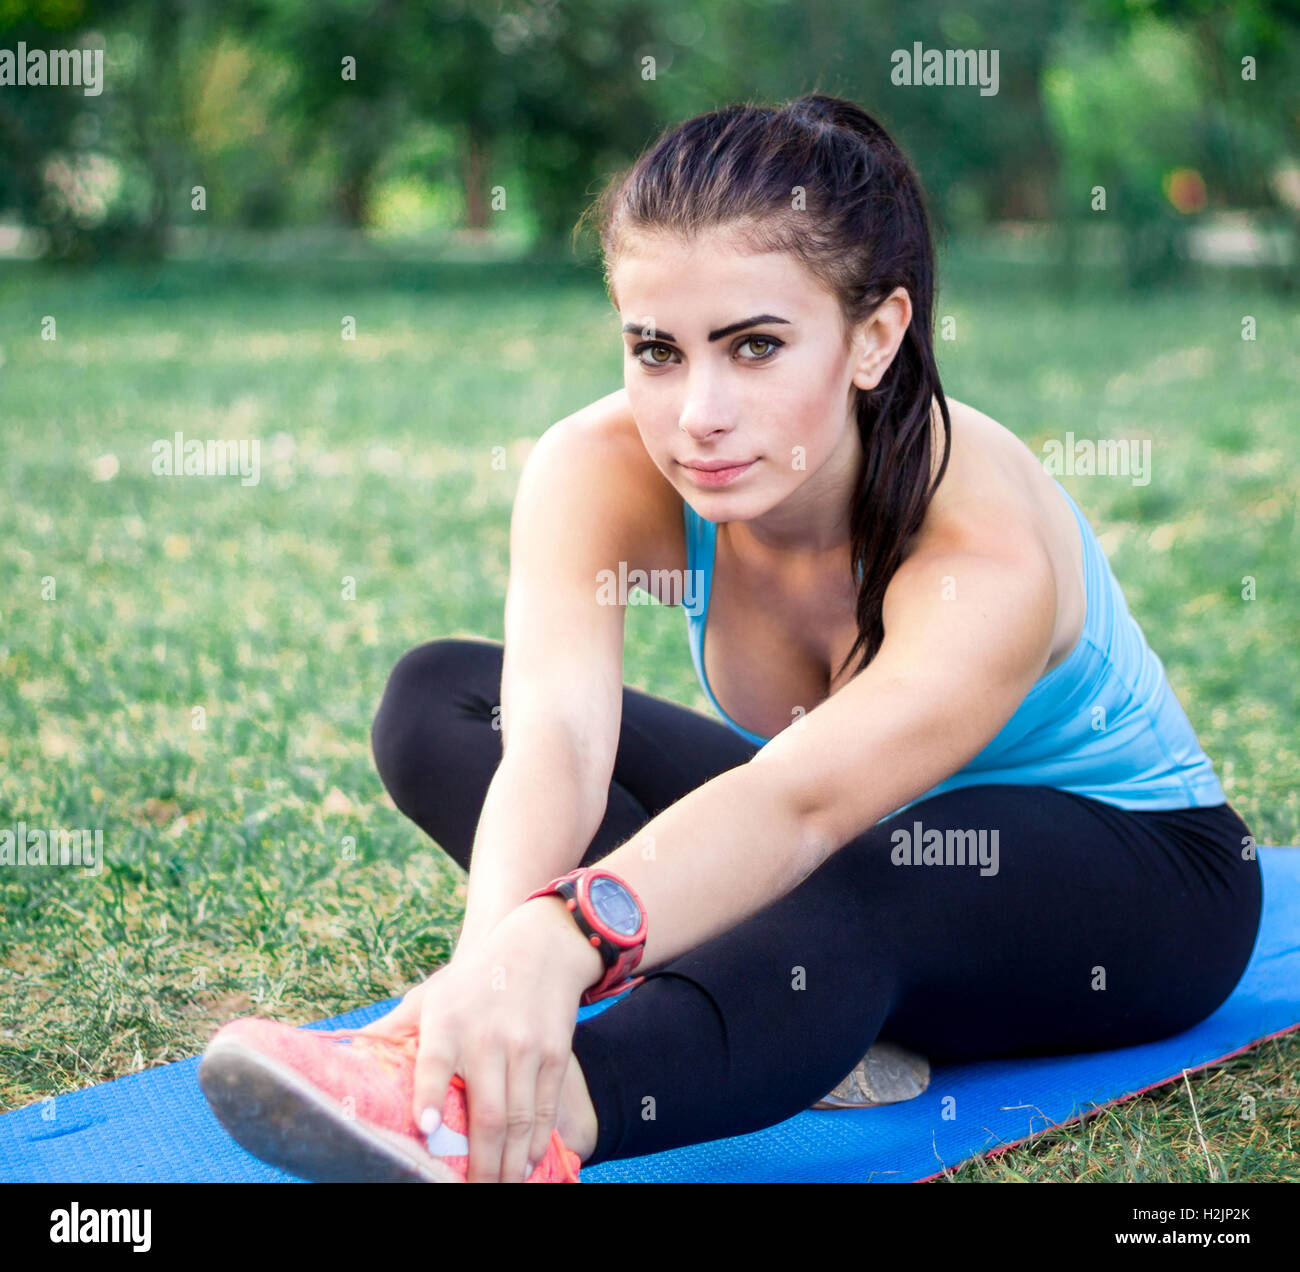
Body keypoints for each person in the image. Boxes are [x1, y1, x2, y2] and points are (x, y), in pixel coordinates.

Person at [200, 93, 1262, 1184]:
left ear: (873, 337)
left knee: (867, 871)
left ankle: (513, 1124)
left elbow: (799, 807)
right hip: (834, 838)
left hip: (1142, 891)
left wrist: (569, 937)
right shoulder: (596, 467)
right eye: (656, 350)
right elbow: (561, 743)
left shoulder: (977, 543)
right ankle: (705, 1011)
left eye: (755, 347)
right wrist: (492, 966)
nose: (697, 412)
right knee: (447, 698)